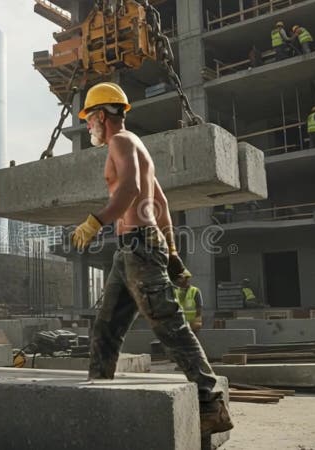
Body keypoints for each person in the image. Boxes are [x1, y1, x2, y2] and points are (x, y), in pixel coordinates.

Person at [71, 82, 232, 436]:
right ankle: (97, 394)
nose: (88, 127)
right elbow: (160, 203)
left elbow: (129, 190)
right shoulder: (137, 147)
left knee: (168, 323)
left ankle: (210, 402)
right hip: (133, 248)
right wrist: (173, 254)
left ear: (101, 115)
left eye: (89, 119)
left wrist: (96, 220)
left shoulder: (121, 142)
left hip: (140, 246)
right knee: (107, 326)